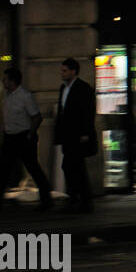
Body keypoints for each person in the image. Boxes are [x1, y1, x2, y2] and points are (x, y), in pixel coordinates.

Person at [0, 67, 53, 212]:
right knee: (2, 169)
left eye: (5, 79)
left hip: (23, 137)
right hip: (10, 137)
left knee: (33, 168)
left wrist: (30, 134)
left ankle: (46, 199)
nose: (3, 81)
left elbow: (37, 117)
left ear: (12, 81)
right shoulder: (6, 95)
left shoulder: (25, 96)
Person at [54, 57, 97, 213]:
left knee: (75, 167)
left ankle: (81, 200)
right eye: (62, 70)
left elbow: (88, 112)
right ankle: (78, 199)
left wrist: (85, 133)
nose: (62, 73)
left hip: (78, 136)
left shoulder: (83, 88)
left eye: (65, 70)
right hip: (68, 135)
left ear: (73, 71)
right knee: (71, 167)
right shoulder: (63, 88)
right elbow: (62, 112)